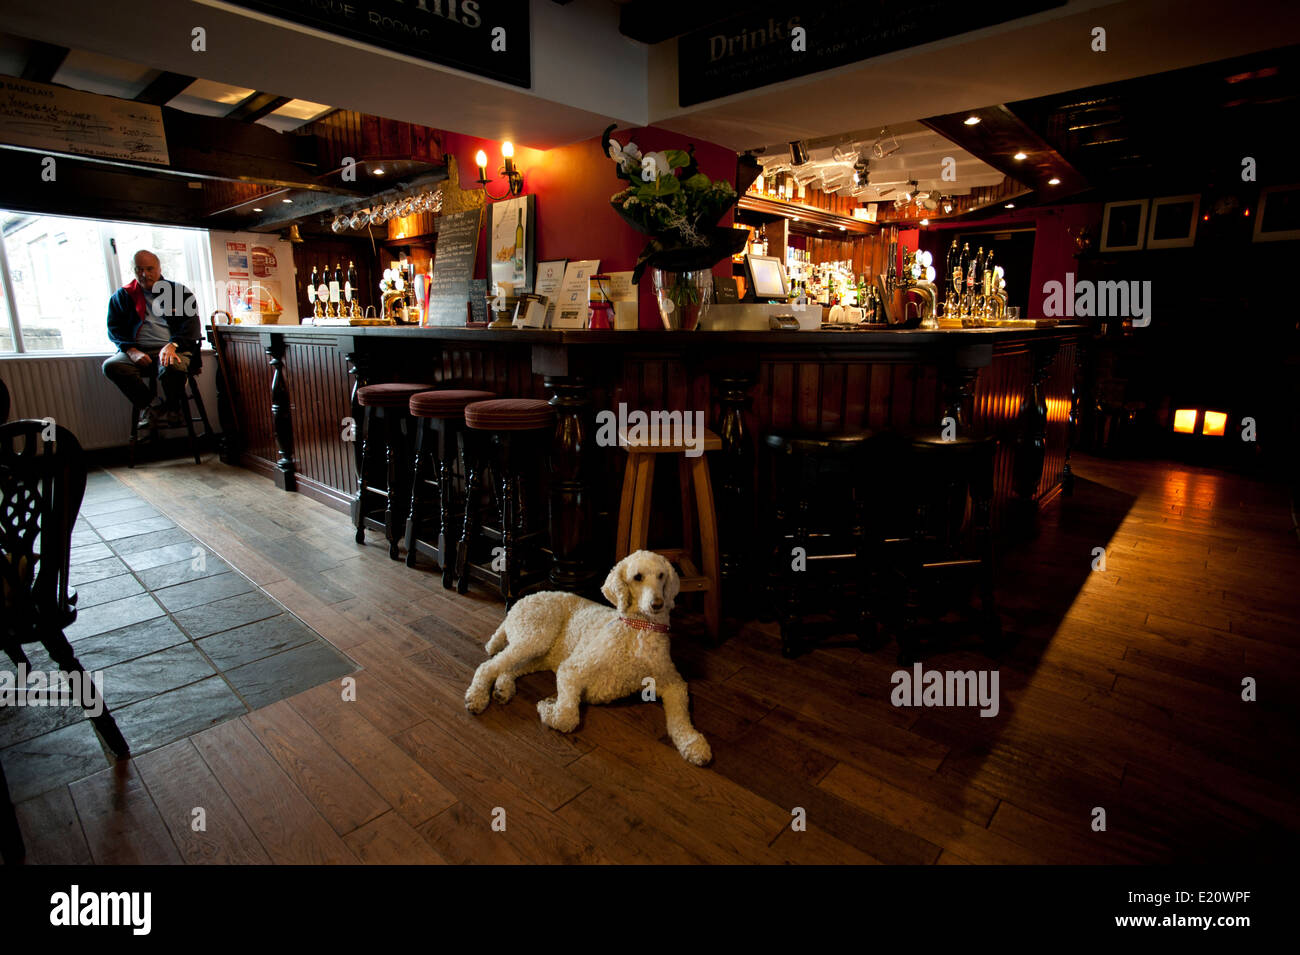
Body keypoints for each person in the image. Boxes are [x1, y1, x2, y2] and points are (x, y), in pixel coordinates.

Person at [102, 250, 201, 431]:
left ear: (159, 268)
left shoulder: (178, 292)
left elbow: (192, 326)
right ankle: (152, 406)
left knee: (173, 366)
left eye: (149, 269)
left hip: (173, 347)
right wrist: (131, 351)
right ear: (134, 270)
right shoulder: (123, 296)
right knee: (111, 366)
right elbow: (114, 329)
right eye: (139, 269)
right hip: (138, 351)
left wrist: (172, 345)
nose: (144, 274)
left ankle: (173, 408)